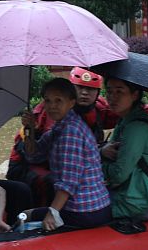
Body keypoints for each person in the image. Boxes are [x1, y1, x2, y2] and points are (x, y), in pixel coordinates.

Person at [7, 66, 116, 207]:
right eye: (79, 88)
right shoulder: (50, 113)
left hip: (60, 161)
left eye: (90, 89)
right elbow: (42, 154)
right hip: (27, 161)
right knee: (50, 181)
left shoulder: (100, 109)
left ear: (97, 93)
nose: (84, 93)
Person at [20, 77, 112, 231]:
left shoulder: (70, 132)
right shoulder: (60, 127)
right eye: (48, 101)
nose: (52, 106)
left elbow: (68, 181)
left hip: (85, 209)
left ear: (71, 102)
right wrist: (30, 129)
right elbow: (34, 155)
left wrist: (52, 213)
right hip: (81, 206)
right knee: (27, 214)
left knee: (25, 216)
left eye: (58, 100)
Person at [99, 77, 148, 222]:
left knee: (83, 210)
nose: (112, 97)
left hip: (140, 201)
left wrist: (97, 166)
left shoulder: (136, 128)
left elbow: (118, 174)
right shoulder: (124, 121)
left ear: (135, 95)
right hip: (130, 193)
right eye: (109, 91)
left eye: (119, 91)